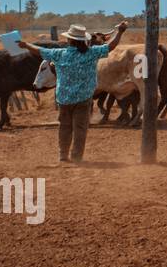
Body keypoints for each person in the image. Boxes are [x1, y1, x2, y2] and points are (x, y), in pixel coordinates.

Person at [19, 23, 127, 163]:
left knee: (65, 127)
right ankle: (76, 156)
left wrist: (26, 45)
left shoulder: (59, 54)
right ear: (83, 40)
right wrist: (120, 32)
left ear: (69, 40)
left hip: (64, 99)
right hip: (84, 98)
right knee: (80, 128)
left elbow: (40, 51)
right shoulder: (91, 53)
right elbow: (110, 47)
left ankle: (63, 155)